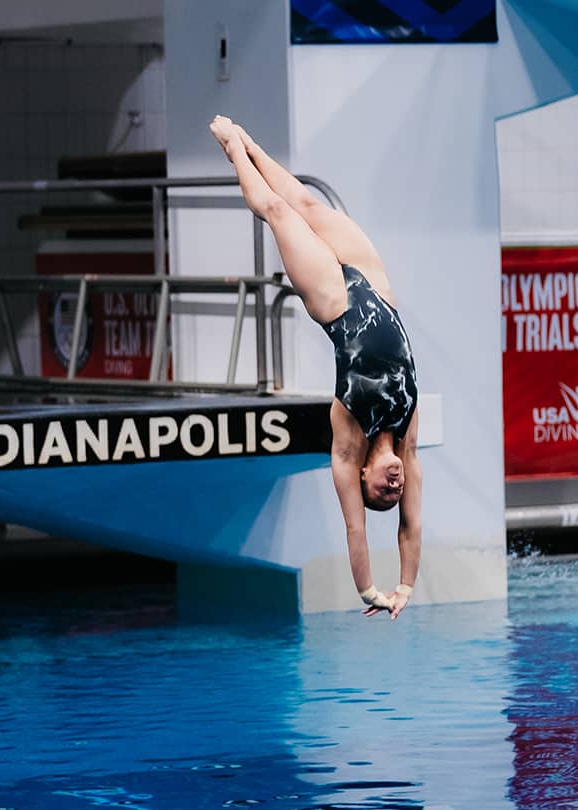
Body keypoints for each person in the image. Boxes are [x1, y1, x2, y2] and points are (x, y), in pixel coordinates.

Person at [208, 115, 420, 620]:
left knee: (281, 212)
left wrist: (372, 591)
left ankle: (233, 148)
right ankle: (253, 141)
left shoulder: (348, 441)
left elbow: (354, 529)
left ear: (363, 475)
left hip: (336, 304)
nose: (393, 488)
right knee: (307, 202)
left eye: (380, 493)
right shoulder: (407, 437)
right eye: (396, 492)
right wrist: (407, 586)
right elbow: (410, 528)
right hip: (377, 286)